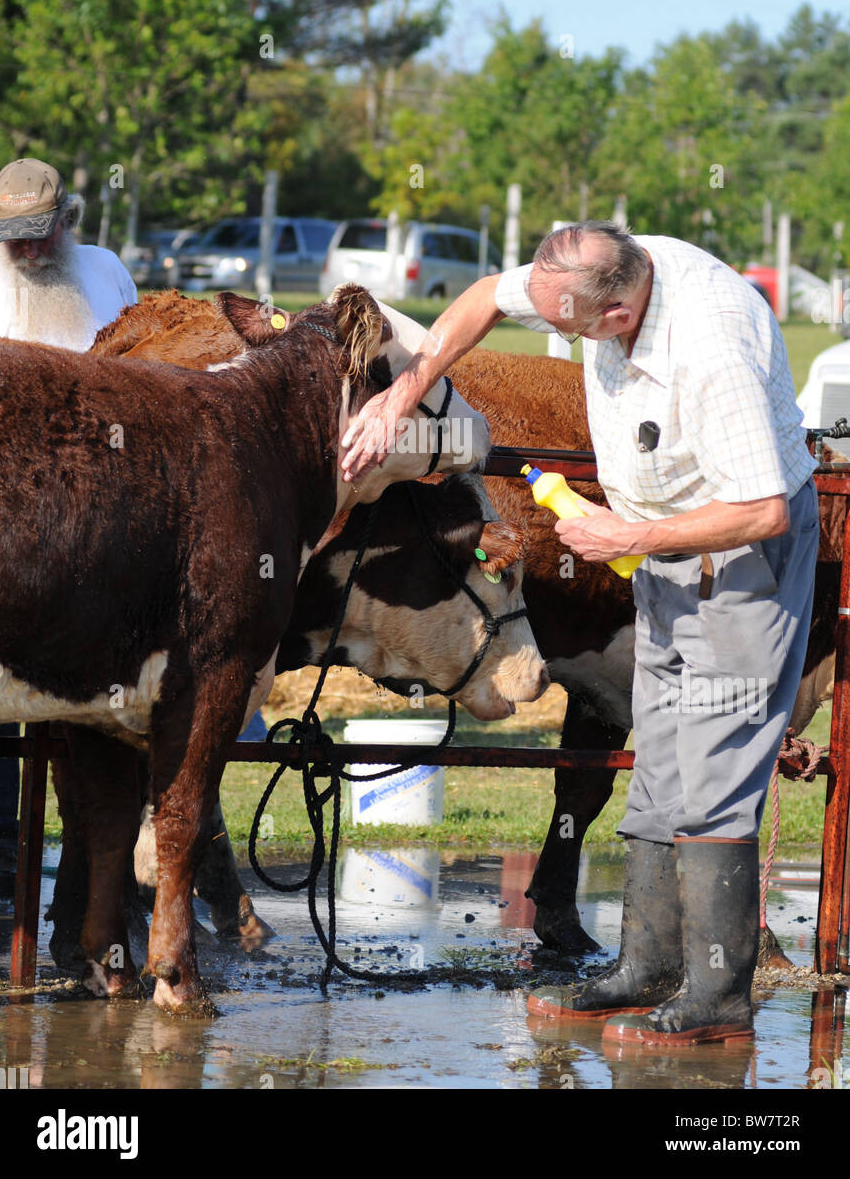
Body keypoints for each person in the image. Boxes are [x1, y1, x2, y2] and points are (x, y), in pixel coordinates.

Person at [340, 220, 818, 1047]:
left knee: (714, 773)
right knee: (661, 763)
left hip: (740, 559)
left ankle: (717, 1000)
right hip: (664, 551)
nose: (554, 334)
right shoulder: (596, 272)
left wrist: (623, 537)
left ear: (615, 313)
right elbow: (487, 298)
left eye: (567, 329)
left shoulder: (711, 350)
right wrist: (403, 391)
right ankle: (645, 970)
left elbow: (764, 507)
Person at [0, 158, 137, 900]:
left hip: (101, 523)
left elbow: (149, 377)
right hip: (7, 523)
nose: (30, 252)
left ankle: (100, 887)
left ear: (67, 222)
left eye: (40, 235)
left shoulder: (107, 273)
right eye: (14, 239)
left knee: (98, 710)